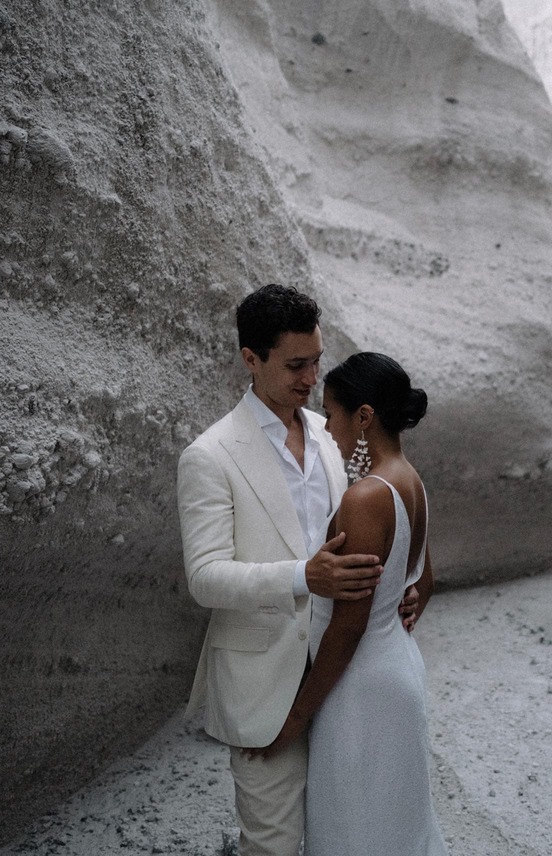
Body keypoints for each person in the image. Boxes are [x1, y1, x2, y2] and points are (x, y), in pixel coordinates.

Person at [177, 285, 421, 856]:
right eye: (295, 365)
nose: (311, 378)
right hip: (264, 686)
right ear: (250, 358)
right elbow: (205, 577)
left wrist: (400, 588)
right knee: (274, 847)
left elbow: (377, 522)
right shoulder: (209, 456)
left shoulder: (331, 433)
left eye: (316, 361)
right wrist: (302, 577)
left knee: (345, 835)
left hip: (344, 677)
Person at [246, 351, 446, 856]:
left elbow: (348, 626)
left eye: (332, 413)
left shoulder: (367, 497)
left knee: (352, 832)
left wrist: (294, 718)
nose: (327, 427)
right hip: (397, 668)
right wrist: (401, 604)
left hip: (361, 688)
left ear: (364, 417)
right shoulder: (409, 480)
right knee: (393, 829)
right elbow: (425, 580)